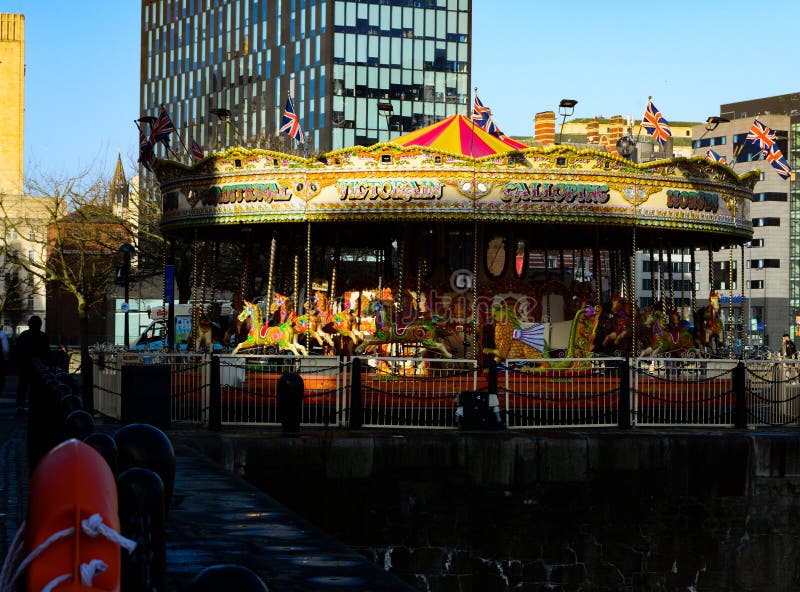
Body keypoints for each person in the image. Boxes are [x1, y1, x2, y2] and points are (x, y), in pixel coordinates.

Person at [15, 315, 50, 415]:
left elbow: (18, 350)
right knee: (36, 387)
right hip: (38, 366)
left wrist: (18, 363)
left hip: (24, 364)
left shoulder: (24, 335)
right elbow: (46, 353)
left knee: (22, 385)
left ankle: (20, 405)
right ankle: (35, 405)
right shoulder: (43, 336)